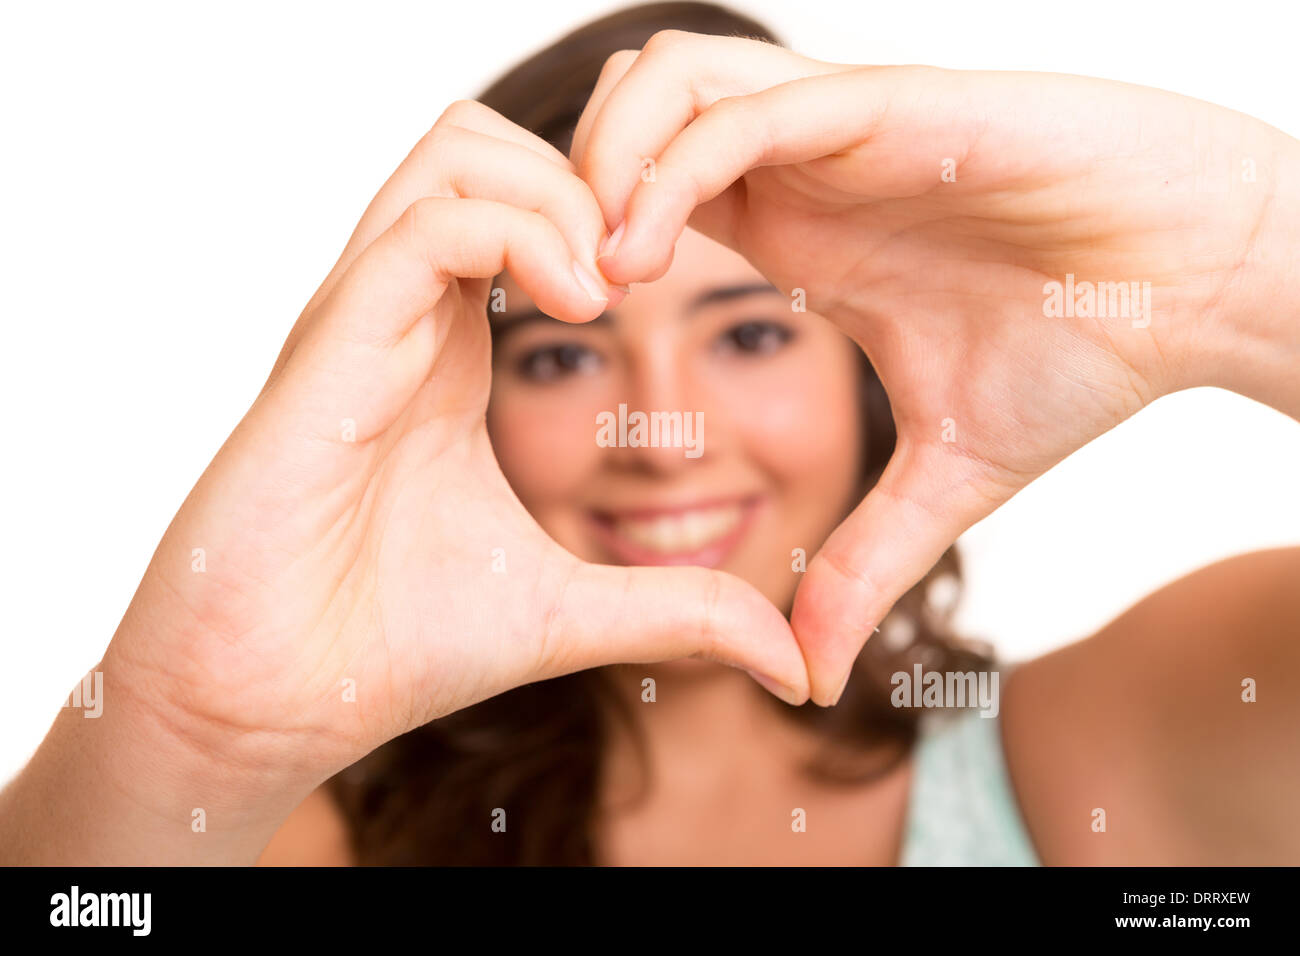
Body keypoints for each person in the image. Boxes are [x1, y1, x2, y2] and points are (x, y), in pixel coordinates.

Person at [2, 2, 1297, 866]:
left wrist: (1232, 263)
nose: (661, 434)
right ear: (468, 408)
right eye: (564, 352)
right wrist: (193, 735)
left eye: (747, 335)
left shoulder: (1123, 739)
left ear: (866, 382)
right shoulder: (302, 832)